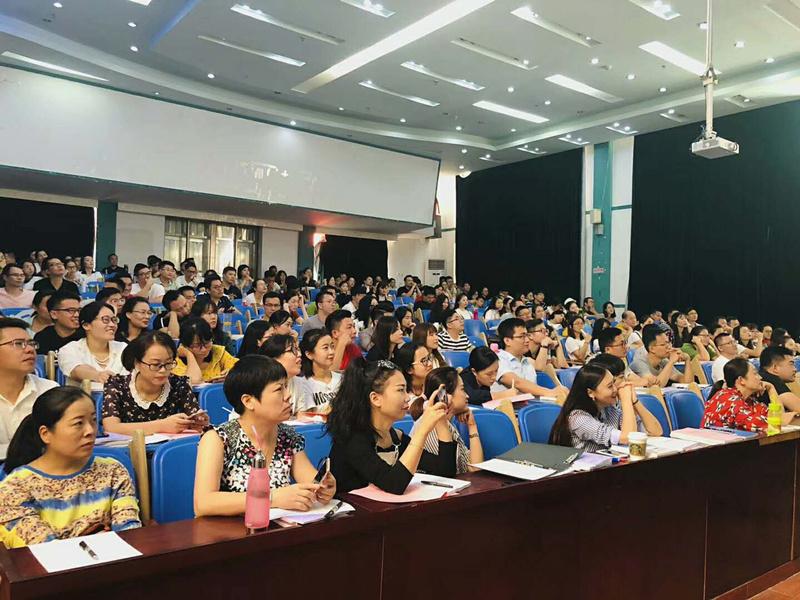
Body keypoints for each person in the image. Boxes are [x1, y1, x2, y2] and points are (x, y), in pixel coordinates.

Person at [194, 356, 336, 516]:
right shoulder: (218, 439)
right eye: (279, 389)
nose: (288, 395)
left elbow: (311, 482)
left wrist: (323, 488)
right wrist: (271, 498)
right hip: (231, 528)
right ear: (248, 401)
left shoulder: (288, 436)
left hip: (276, 526)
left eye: (286, 386)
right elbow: (204, 503)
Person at [0, 387, 141, 548]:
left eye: (93, 420)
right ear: (45, 434)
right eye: (78, 423)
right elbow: (44, 550)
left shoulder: (113, 471)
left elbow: (129, 534)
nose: (90, 431)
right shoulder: (14, 488)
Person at [327, 359, 455, 494]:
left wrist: (441, 420)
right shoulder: (353, 439)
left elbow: (445, 471)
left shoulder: (395, 437)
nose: (407, 398)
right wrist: (423, 430)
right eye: (400, 390)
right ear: (375, 399)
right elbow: (394, 484)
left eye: (406, 390)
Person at [102, 331, 208, 435]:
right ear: (137, 363)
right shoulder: (116, 385)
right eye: (155, 364)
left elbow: (194, 416)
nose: (163, 370)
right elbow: (111, 427)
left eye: (168, 363)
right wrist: (162, 425)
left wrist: (198, 422)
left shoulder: (179, 384)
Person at [549, 363, 662, 452]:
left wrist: (635, 401)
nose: (615, 389)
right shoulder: (578, 418)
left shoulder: (609, 409)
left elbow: (656, 432)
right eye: (609, 386)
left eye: (614, 383)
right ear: (590, 392)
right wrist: (626, 400)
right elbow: (629, 438)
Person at [0, 318, 59, 459]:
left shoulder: (49, 390)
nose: (30, 350)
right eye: (18, 344)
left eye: (31, 344)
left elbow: (58, 441)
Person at [408, 367, 482, 475]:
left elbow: (475, 469)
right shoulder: (432, 425)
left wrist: (472, 426)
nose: (467, 395)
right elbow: (449, 474)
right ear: (445, 395)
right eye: (462, 389)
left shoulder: (448, 423)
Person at [702, 358, 796, 432]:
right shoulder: (729, 400)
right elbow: (773, 426)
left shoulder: (749, 400)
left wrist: (771, 389)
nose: (760, 377)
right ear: (741, 380)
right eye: (755, 374)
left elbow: (778, 417)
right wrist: (788, 417)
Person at [58, 302, 128, 386]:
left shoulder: (123, 348)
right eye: (106, 320)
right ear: (86, 325)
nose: (112, 325)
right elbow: (76, 371)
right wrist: (98, 375)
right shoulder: (70, 349)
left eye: (114, 320)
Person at [495, 318, 568, 396]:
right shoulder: (498, 359)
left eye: (527, 335)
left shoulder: (526, 361)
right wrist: (550, 392)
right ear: (507, 341)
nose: (527, 340)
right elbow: (517, 383)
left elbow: (543, 368)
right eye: (522, 336)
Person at [173, 318, 238, 385]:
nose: (204, 349)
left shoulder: (217, 352)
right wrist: (188, 354)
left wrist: (231, 372)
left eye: (207, 343)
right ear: (185, 345)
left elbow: (241, 368)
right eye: (197, 345)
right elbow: (194, 381)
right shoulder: (176, 364)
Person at [296, 329, 341, 412]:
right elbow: (308, 417)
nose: (331, 352)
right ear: (309, 354)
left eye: (332, 346)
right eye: (325, 348)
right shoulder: (303, 385)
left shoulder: (342, 379)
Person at [259, 334, 303, 414]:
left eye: (297, 349)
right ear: (274, 359)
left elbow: (302, 416)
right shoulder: (259, 384)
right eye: (291, 350)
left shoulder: (300, 383)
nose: (299, 354)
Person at [758, 346, 800, 411]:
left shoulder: (763, 376)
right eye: (791, 364)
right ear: (775, 368)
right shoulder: (772, 381)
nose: (795, 369)